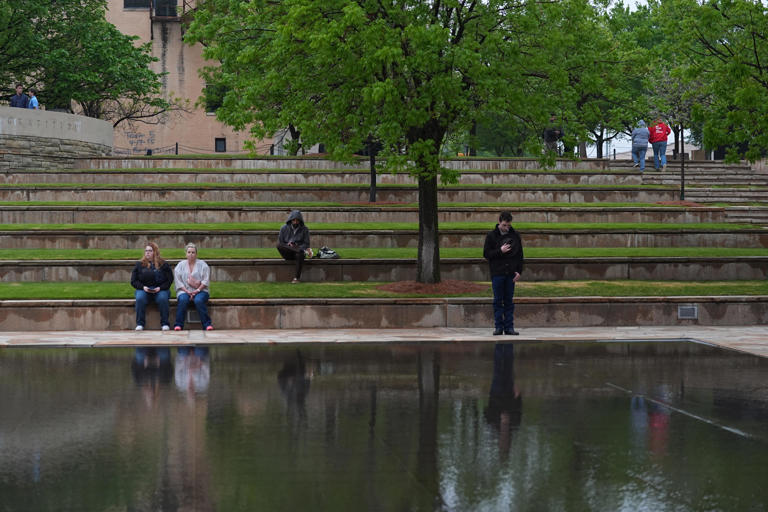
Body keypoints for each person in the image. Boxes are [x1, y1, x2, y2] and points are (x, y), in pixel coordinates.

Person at [483, 211, 524, 335]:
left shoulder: (515, 235)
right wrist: (500, 251)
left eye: (508, 226)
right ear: (499, 221)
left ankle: (509, 327)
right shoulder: (491, 236)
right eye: (504, 225)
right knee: (497, 301)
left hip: (511, 273)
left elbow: (520, 255)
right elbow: (486, 254)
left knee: (509, 301)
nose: (506, 228)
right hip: (497, 272)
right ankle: (498, 327)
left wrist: (519, 271)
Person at [130, 242, 173, 331]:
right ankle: (140, 324)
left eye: (150, 251)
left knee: (162, 298)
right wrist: (143, 287)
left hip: (160, 289)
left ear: (155, 252)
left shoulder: (163, 264)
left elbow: (169, 280)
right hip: (144, 289)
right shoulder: (139, 264)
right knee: (140, 298)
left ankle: (165, 323)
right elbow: (133, 281)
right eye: (146, 251)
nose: (147, 253)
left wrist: (160, 288)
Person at [173, 242, 213, 331]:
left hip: (201, 291)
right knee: (183, 300)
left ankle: (207, 324)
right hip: (184, 291)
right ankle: (178, 325)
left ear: (196, 254)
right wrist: (187, 291)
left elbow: (205, 281)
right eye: (189, 252)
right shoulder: (180, 265)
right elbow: (178, 281)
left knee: (198, 300)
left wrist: (197, 290)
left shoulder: (203, 265)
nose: (191, 254)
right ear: (186, 253)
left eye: (193, 252)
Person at [277, 210, 312, 283]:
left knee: (300, 254)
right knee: (278, 245)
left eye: (297, 220)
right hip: (288, 252)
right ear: (290, 219)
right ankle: (297, 249)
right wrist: (289, 245)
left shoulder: (305, 229)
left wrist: (296, 246)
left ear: (300, 221)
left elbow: (306, 244)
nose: (295, 222)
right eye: (294, 220)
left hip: (299, 253)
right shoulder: (283, 228)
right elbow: (281, 242)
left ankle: (296, 278)